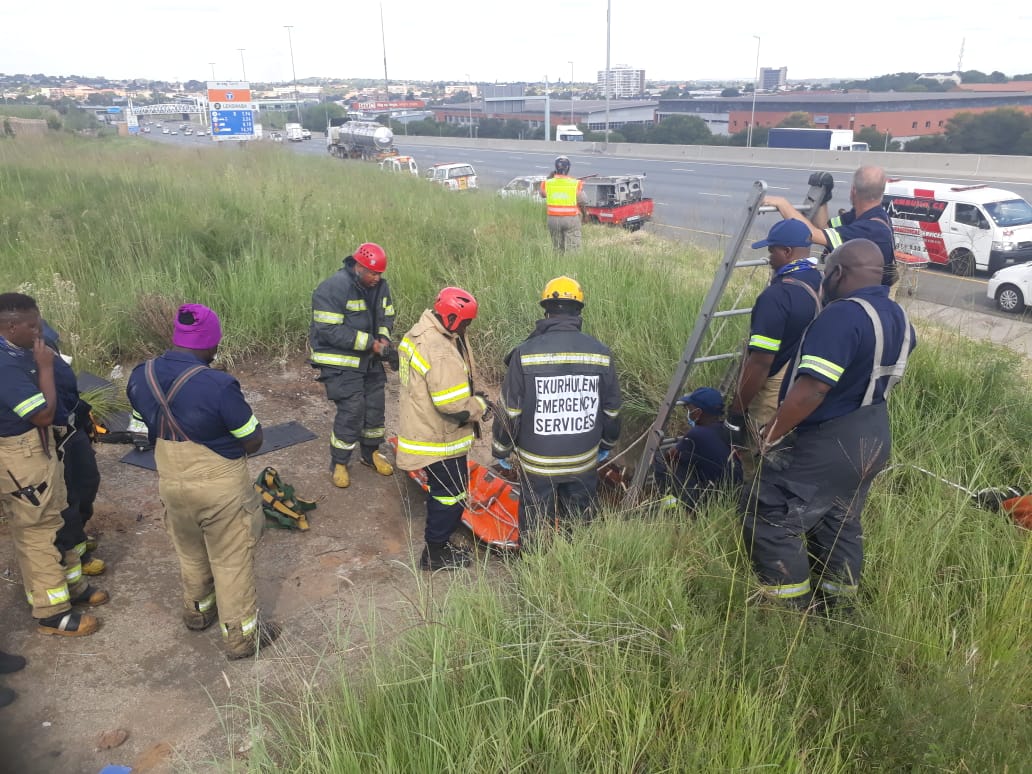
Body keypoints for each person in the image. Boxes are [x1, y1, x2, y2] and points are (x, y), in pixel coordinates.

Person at [740, 239, 916, 613]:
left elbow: (814, 388)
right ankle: (839, 606)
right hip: (873, 430)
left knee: (770, 514)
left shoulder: (842, 315)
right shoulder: (897, 316)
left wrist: (771, 434)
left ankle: (788, 610)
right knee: (840, 518)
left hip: (831, 438)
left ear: (837, 272)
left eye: (827, 272)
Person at [127, 303, 279, 660]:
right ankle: (241, 638)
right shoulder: (219, 385)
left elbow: (140, 429)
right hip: (219, 485)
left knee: (190, 551)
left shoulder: (140, 375)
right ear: (209, 342)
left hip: (169, 479)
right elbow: (252, 439)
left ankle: (197, 612)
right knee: (230, 559)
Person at [0, 293, 105, 638]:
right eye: (32, 324)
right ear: (11, 326)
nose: (39, 329)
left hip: (39, 450)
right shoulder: (5, 365)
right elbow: (43, 414)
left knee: (57, 516)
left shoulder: (18, 351)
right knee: (36, 532)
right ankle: (51, 612)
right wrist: (45, 366)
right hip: (21, 455)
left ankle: (72, 590)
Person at [491, 277, 621, 540]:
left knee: (536, 529)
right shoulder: (601, 353)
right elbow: (612, 410)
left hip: (538, 464)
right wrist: (608, 442)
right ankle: (576, 570)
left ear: (546, 311)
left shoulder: (525, 353)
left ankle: (535, 572)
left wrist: (501, 449)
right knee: (580, 526)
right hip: (583, 461)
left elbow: (510, 412)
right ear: (579, 311)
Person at [396, 287, 489, 571]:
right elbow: (452, 404)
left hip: (420, 424)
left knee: (445, 490)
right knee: (450, 494)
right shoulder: (439, 349)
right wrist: (480, 406)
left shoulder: (421, 332)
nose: (467, 329)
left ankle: (439, 545)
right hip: (437, 438)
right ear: (450, 318)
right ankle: (435, 554)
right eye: (465, 323)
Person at [726, 219, 822, 478]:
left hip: (771, 393)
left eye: (772, 251)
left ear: (787, 252)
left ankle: (749, 507)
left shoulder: (776, 297)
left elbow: (760, 363)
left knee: (753, 456)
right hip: (799, 388)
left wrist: (736, 412)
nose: (769, 258)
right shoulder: (818, 280)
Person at [310, 242, 396, 488]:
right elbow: (328, 330)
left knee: (375, 407)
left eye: (380, 273)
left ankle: (370, 455)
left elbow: (386, 315)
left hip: (368, 359)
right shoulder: (333, 288)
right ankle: (339, 462)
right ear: (358, 266)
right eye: (372, 273)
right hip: (339, 360)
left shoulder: (380, 286)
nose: (377, 278)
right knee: (353, 409)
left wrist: (383, 339)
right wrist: (371, 344)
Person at [764, 166, 896, 287]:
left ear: (853, 190)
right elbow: (825, 228)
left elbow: (814, 235)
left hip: (860, 301)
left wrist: (783, 204)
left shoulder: (870, 229)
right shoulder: (866, 217)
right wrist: (823, 198)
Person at [43, 321, 106, 577]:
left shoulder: (38, 333)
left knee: (87, 482)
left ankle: (78, 536)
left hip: (71, 425)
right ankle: (73, 553)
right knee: (64, 499)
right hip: (48, 435)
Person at [656, 387, 741, 510]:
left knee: (660, 459)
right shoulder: (723, 427)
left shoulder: (696, 434)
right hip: (733, 495)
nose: (688, 411)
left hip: (711, 499)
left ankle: (669, 506)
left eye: (689, 408)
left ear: (698, 412)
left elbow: (670, 456)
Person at [539, 156, 587, 253]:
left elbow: (542, 194)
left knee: (557, 248)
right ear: (568, 168)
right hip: (571, 219)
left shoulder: (547, 183)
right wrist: (585, 215)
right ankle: (571, 267)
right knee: (573, 249)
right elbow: (583, 201)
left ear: (556, 168)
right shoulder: (575, 183)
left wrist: (550, 178)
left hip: (553, 219)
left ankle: (558, 266)